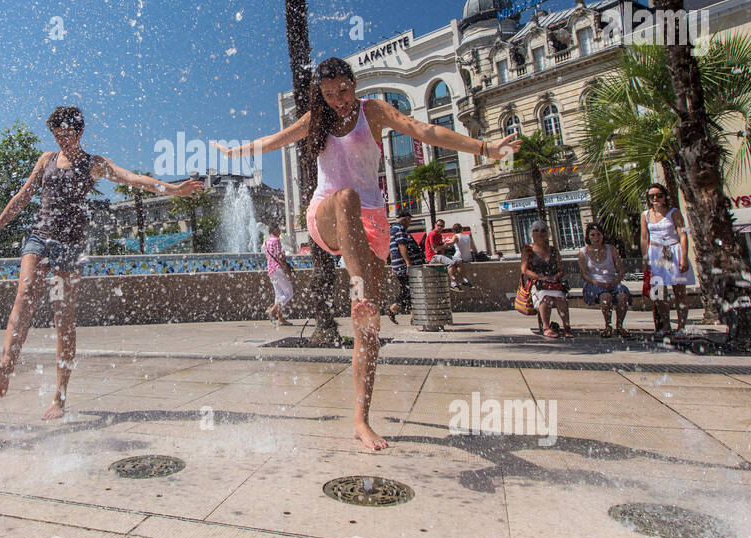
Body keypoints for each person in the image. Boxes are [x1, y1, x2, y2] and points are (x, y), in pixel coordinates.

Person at [211, 57, 520, 450]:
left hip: (372, 225)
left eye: (343, 90)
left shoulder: (372, 111)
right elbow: (275, 140)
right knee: (346, 197)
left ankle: (361, 420)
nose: (338, 99)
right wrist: (235, 152)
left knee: (368, 332)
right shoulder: (316, 119)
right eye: (329, 94)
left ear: (353, 84)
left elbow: (423, 130)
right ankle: (358, 294)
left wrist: (485, 147)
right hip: (327, 214)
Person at [0, 106, 204, 419]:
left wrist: (174, 189)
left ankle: (59, 397)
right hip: (39, 237)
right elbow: (22, 197)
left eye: (66, 135)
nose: (61, 141)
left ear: (79, 132)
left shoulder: (93, 164)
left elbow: (133, 179)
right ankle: (3, 372)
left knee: (63, 317)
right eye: (56, 135)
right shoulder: (46, 160)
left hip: (69, 247)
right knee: (24, 295)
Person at [639, 182, 695, 337]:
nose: (655, 198)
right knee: (659, 294)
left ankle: (681, 326)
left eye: (659, 195)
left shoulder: (673, 212)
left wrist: (684, 258)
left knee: (679, 292)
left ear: (664, 197)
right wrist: (645, 259)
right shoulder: (645, 215)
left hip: (673, 251)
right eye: (652, 196)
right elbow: (644, 238)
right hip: (655, 253)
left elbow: (683, 235)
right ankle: (666, 326)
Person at [521, 220, 573, 338]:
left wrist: (555, 277)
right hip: (537, 284)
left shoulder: (553, 250)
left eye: (543, 231)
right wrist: (540, 277)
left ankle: (567, 327)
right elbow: (524, 270)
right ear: (531, 233)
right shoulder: (527, 250)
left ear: (547, 233)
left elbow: (561, 269)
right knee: (545, 298)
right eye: (536, 230)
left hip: (553, 283)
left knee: (561, 299)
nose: (539, 233)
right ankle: (546, 327)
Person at [578, 222, 631, 337]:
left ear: (603, 236)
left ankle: (620, 325)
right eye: (592, 235)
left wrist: (614, 282)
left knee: (622, 296)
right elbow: (584, 274)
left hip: (612, 281)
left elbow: (621, 271)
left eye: (598, 234)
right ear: (588, 237)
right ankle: (608, 326)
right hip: (594, 283)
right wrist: (597, 283)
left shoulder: (611, 249)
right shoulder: (583, 252)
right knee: (606, 297)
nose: (596, 238)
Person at [387, 206, 424, 322]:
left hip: (399, 266)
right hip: (404, 266)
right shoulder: (400, 229)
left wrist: (393, 266)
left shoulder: (394, 229)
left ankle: (411, 314)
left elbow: (392, 250)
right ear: (405, 220)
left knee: (408, 289)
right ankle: (394, 309)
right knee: (410, 289)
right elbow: (402, 246)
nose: (410, 223)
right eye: (409, 220)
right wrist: (408, 264)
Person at [263, 224, 294, 325]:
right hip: (277, 269)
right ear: (274, 230)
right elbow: (280, 257)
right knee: (289, 293)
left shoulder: (267, 241)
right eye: (278, 229)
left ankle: (280, 319)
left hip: (271, 271)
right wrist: (288, 271)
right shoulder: (276, 240)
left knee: (279, 295)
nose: (280, 230)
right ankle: (272, 310)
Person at [424, 219, 460, 289]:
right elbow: (435, 249)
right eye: (438, 225)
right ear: (435, 225)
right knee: (451, 263)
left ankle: (464, 280)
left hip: (439, 256)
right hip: (432, 257)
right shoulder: (432, 234)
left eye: (442, 226)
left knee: (459, 260)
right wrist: (445, 245)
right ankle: (453, 284)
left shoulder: (440, 235)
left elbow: (442, 249)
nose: (440, 227)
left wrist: (447, 247)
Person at [452, 223, 475, 287]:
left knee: (450, 264)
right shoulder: (468, 236)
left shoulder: (455, 236)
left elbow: (451, 244)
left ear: (453, 230)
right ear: (462, 229)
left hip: (459, 257)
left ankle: (454, 282)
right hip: (468, 258)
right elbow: (473, 247)